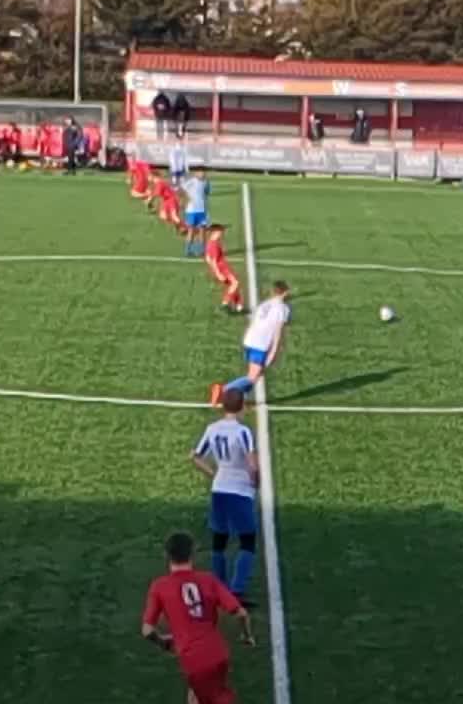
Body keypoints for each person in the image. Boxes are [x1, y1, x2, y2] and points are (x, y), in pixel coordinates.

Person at [141, 532, 254, 704]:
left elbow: (147, 631)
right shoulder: (208, 580)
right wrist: (247, 635)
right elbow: (241, 613)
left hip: (193, 659)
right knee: (200, 695)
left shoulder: (159, 586)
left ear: (167, 555)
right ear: (192, 554)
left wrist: (163, 642)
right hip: (218, 652)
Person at [192, 389, 258, 604]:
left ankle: (219, 588)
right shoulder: (243, 432)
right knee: (247, 540)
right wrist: (255, 481)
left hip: (219, 488)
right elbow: (252, 464)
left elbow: (195, 456)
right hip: (240, 490)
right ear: (242, 407)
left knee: (219, 541)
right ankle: (237, 590)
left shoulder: (212, 429)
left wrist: (214, 473)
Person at [209, 280, 291, 406]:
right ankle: (224, 390)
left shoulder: (265, 304)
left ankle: (240, 398)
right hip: (260, 345)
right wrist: (273, 352)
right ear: (285, 293)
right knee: (252, 378)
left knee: (256, 374)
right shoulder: (283, 309)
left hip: (249, 340)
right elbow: (277, 332)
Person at [205, 224, 243, 314]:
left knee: (232, 286)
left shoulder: (210, 242)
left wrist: (213, 270)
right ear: (215, 232)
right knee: (235, 283)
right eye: (221, 232)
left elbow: (207, 258)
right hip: (222, 268)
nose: (222, 234)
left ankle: (239, 307)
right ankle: (225, 303)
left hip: (220, 268)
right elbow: (213, 261)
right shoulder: (214, 244)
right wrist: (218, 273)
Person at [181, 168, 212, 258]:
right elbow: (182, 189)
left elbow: (206, 193)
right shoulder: (191, 181)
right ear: (196, 173)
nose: (202, 174)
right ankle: (188, 250)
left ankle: (202, 251)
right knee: (191, 231)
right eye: (200, 172)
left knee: (202, 231)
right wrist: (187, 198)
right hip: (192, 211)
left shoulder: (206, 182)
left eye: (204, 172)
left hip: (202, 210)